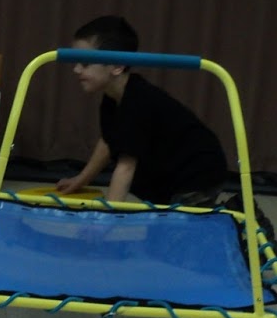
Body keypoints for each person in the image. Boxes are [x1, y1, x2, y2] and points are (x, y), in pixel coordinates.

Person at [54, 15, 228, 206]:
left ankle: (239, 216)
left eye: (85, 63)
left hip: (198, 171)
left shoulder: (139, 100)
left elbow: (126, 167)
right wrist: (82, 179)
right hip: (168, 171)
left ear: (117, 66)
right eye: (76, 62)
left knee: (178, 225)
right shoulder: (112, 97)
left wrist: (107, 216)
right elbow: (108, 140)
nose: (76, 70)